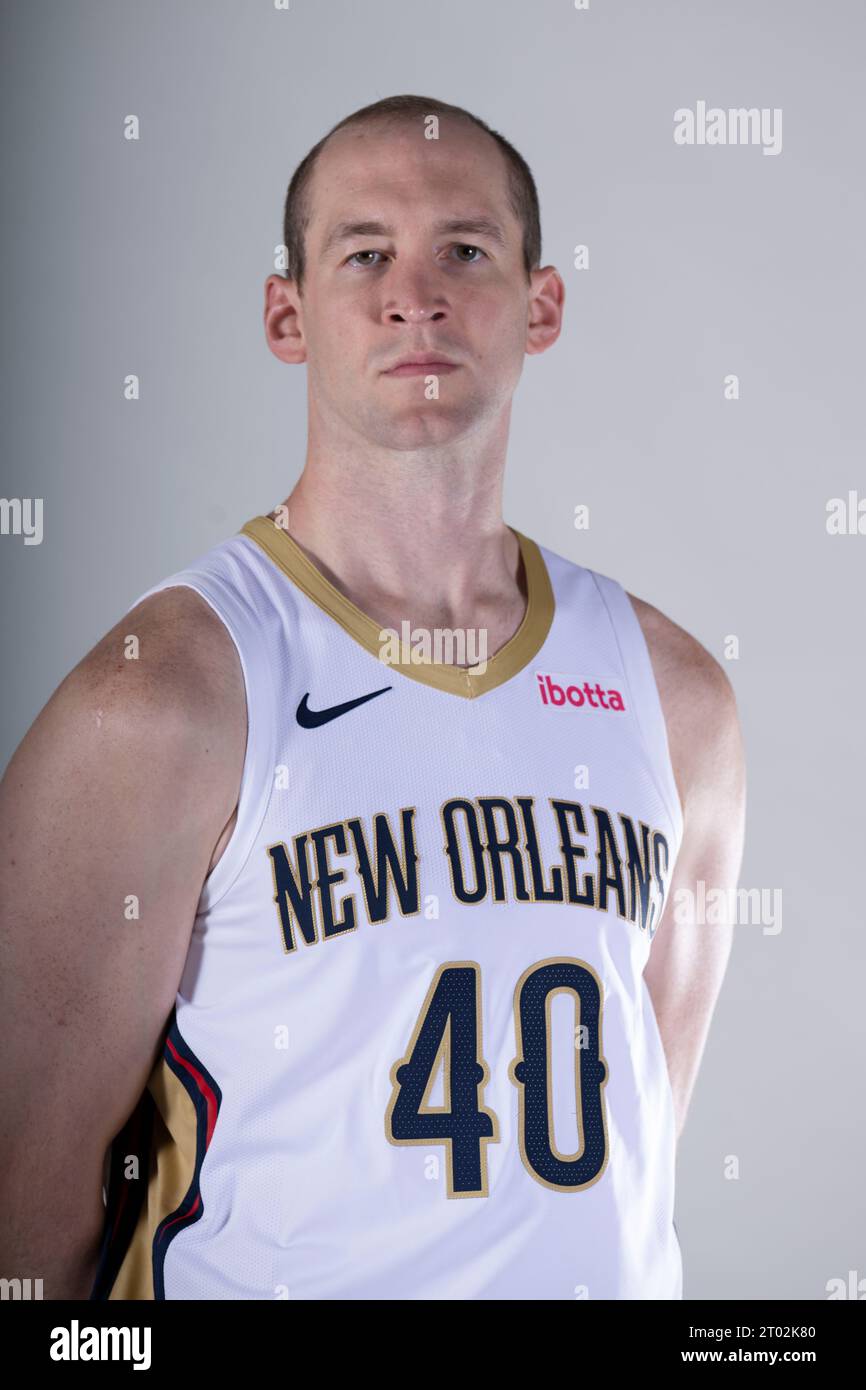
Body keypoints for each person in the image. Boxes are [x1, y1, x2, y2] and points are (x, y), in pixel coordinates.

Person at [0, 94, 745, 1300]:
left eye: (464, 250)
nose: (416, 296)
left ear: (540, 305)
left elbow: (636, 1149)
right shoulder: (161, 701)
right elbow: (25, 1230)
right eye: (363, 255)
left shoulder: (674, 699)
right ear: (285, 314)